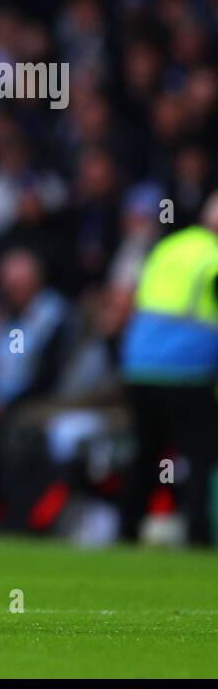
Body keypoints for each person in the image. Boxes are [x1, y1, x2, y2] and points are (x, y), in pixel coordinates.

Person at [119, 191, 218, 545]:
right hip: (186, 369)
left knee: (147, 452)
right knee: (202, 455)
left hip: (139, 363)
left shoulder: (169, 247)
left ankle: (126, 530)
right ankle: (199, 535)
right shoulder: (214, 259)